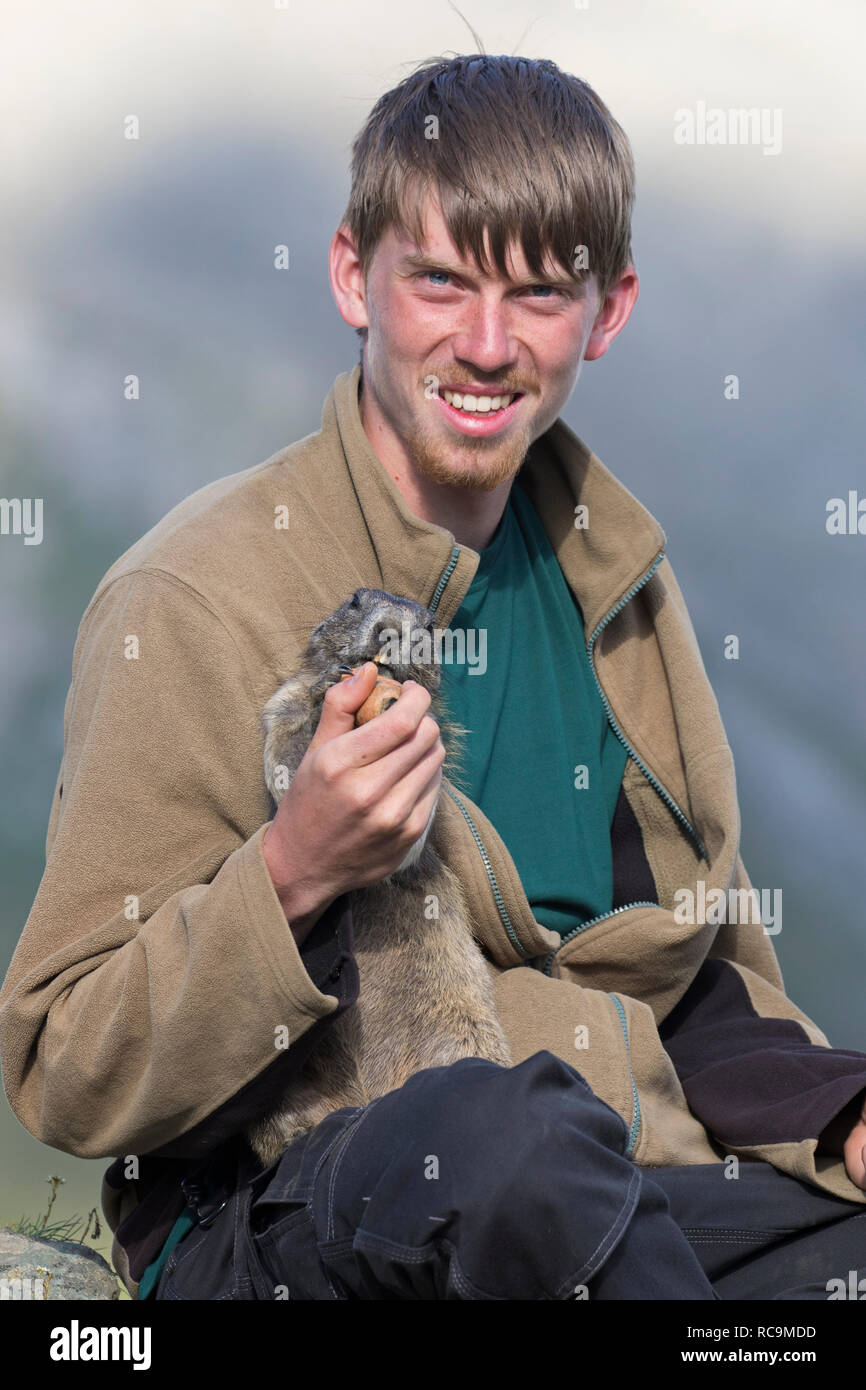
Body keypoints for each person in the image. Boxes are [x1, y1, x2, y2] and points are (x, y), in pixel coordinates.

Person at [1, 53, 865, 1302]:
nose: (483, 343)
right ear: (353, 276)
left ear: (606, 310)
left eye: (533, 294)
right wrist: (297, 868)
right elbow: (61, 1063)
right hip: (294, 1213)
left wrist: (835, 1115)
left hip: (615, 1189)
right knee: (500, 1149)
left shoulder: (617, 585)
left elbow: (699, 980)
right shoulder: (191, 597)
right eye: (442, 280)